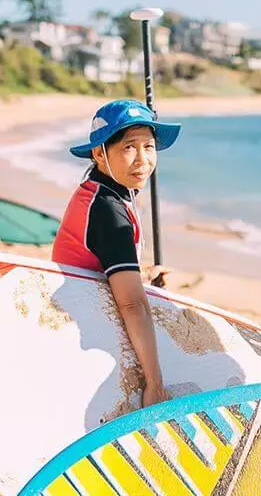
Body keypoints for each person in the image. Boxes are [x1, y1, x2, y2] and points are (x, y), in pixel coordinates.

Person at [52, 99, 181, 409]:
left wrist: (140, 275)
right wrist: (155, 384)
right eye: (129, 148)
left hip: (82, 304)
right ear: (99, 153)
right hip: (81, 327)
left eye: (149, 147)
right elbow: (132, 303)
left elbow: (99, 259)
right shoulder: (109, 210)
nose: (142, 160)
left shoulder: (99, 192)